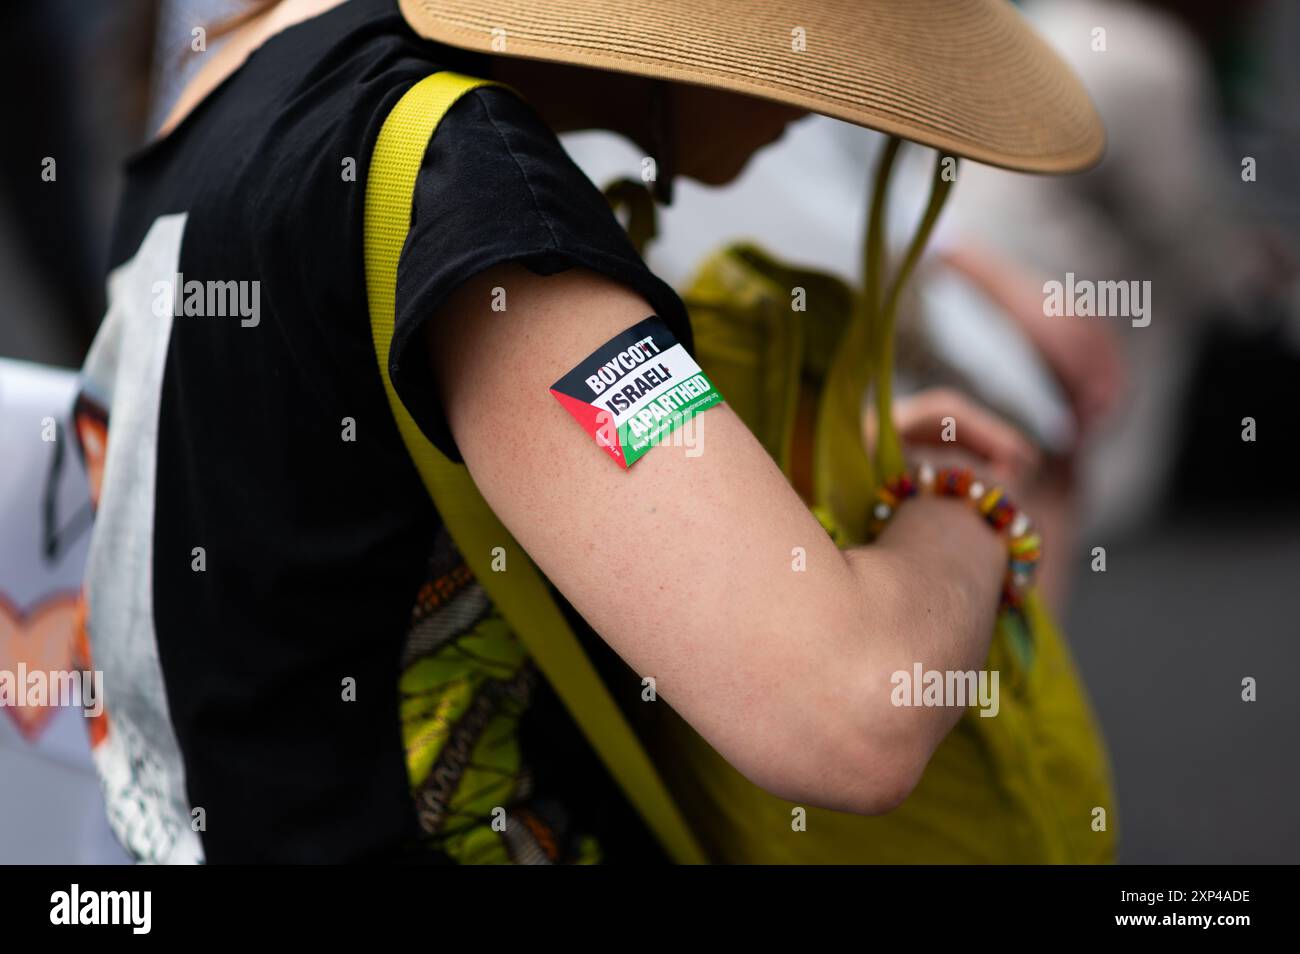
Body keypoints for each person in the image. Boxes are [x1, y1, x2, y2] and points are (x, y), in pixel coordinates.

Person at [76, 0, 1107, 863]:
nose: (821, 92)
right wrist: (958, 511)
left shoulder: (244, 81)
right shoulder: (460, 184)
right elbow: (847, 712)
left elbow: (313, 495)